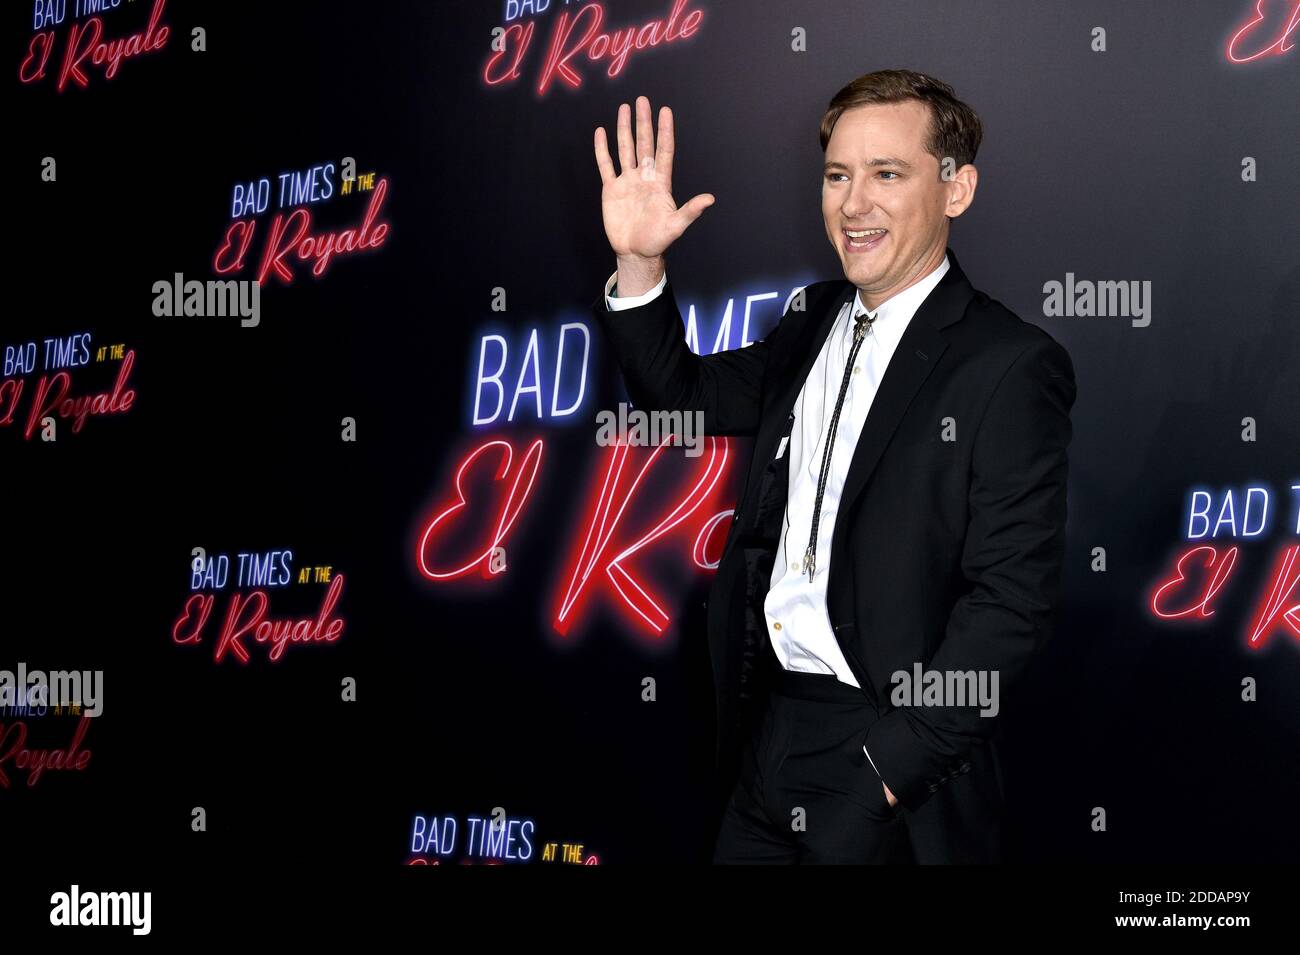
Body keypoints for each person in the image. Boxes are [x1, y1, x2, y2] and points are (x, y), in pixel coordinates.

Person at [590, 70, 1076, 864]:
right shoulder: (810, 318)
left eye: (888, 174)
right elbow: (680, 397)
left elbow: (1011, 602)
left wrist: (888, 768)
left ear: (957, 191)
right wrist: (639, 265)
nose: (854, 204)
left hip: (887, 764)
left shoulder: (1010, 364)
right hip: (767, 736)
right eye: (837, 175)